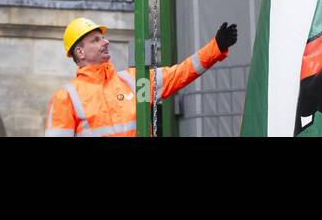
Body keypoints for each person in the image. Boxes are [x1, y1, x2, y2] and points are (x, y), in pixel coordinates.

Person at [44, 16, 239, 137]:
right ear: (80, 52)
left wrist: (216, 48)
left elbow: (179, 73)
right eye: (96, 40)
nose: (105, 42)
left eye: (103, 37)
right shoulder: (66, 98)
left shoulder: (132, 81)